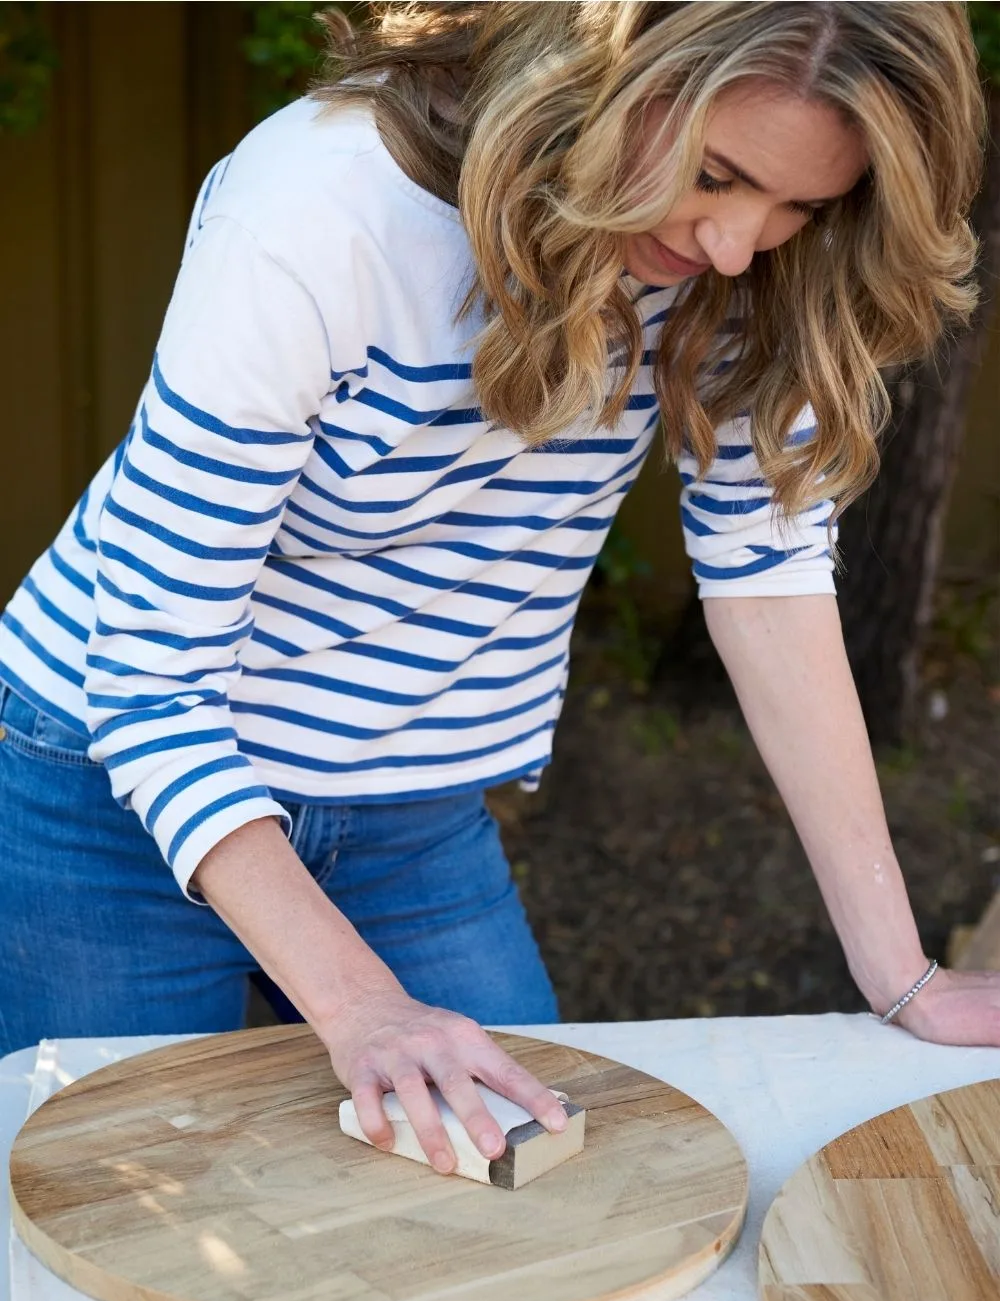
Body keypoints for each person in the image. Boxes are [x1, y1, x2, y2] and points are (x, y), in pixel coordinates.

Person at [1, 2, 997, 1175]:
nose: (736, 242)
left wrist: (902, 979)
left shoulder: (749, 270)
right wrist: (365, 1010)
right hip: (105, 789)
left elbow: (766, 572)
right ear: (607, 76)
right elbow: (151, 678)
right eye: (716, 176)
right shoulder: (321, 205)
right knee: (135, 1210)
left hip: (412, 811)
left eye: (799, 206)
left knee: (538, 1195)